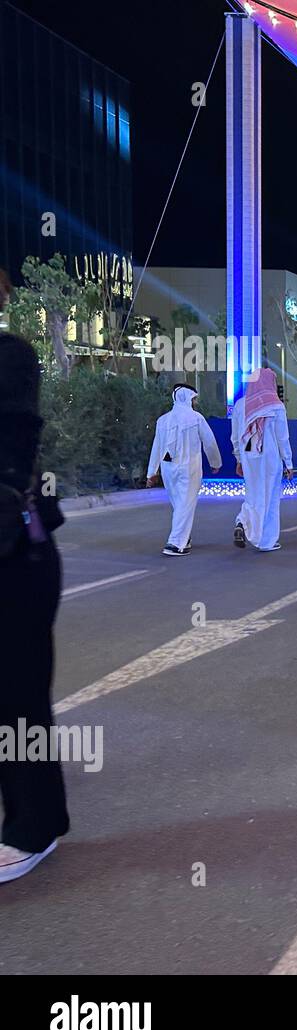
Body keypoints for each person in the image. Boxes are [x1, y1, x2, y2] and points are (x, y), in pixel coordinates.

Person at [0, 333, 70, 883]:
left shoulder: (10, 357)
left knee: (18, 700)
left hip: (15, 558)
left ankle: (34, 828)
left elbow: (16, 446)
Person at [147, 384, 222, 556]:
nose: (195, 402)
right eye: (194, 399)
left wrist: (151, 472)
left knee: (180, 505)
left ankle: (184, 538)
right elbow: (209, 442)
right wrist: (215, 462)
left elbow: (156, 447)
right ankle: (175, 543)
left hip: (168, 469)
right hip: (189, 468)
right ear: (188, 398)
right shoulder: (196, 418)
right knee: (184, 505)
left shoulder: (163, 420)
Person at [231, 368, 293, 552]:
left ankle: (242, 521)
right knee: (271, 497)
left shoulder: (240, 405)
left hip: (248, 455)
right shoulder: (276, 405)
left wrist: (238, 460)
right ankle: (267, 541)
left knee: (252, 493)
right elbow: (283, 438)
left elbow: (235, 437)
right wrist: (288, 464)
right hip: (270, 457)